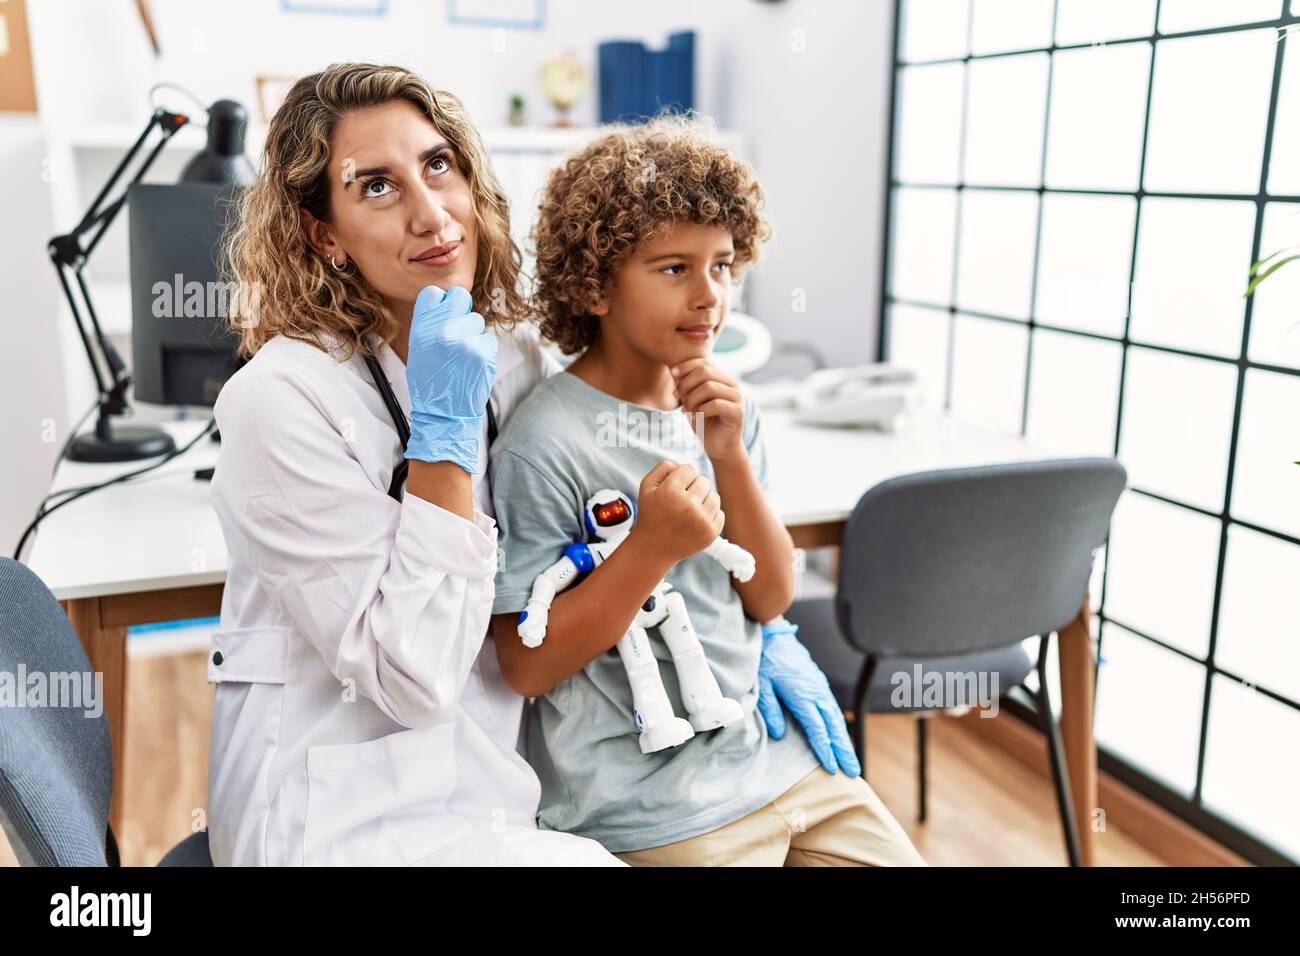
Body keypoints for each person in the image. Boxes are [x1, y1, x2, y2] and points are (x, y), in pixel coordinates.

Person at [489, 117, 927, 866]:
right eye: (673, 269)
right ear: (595, 284)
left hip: (783, 766)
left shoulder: (728, 409)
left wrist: (730, 457)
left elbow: (770, 599)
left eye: (723, 265)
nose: (709, 296)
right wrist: (651, 548)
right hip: (650, 806)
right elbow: (526, 665)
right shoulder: (544, 442)